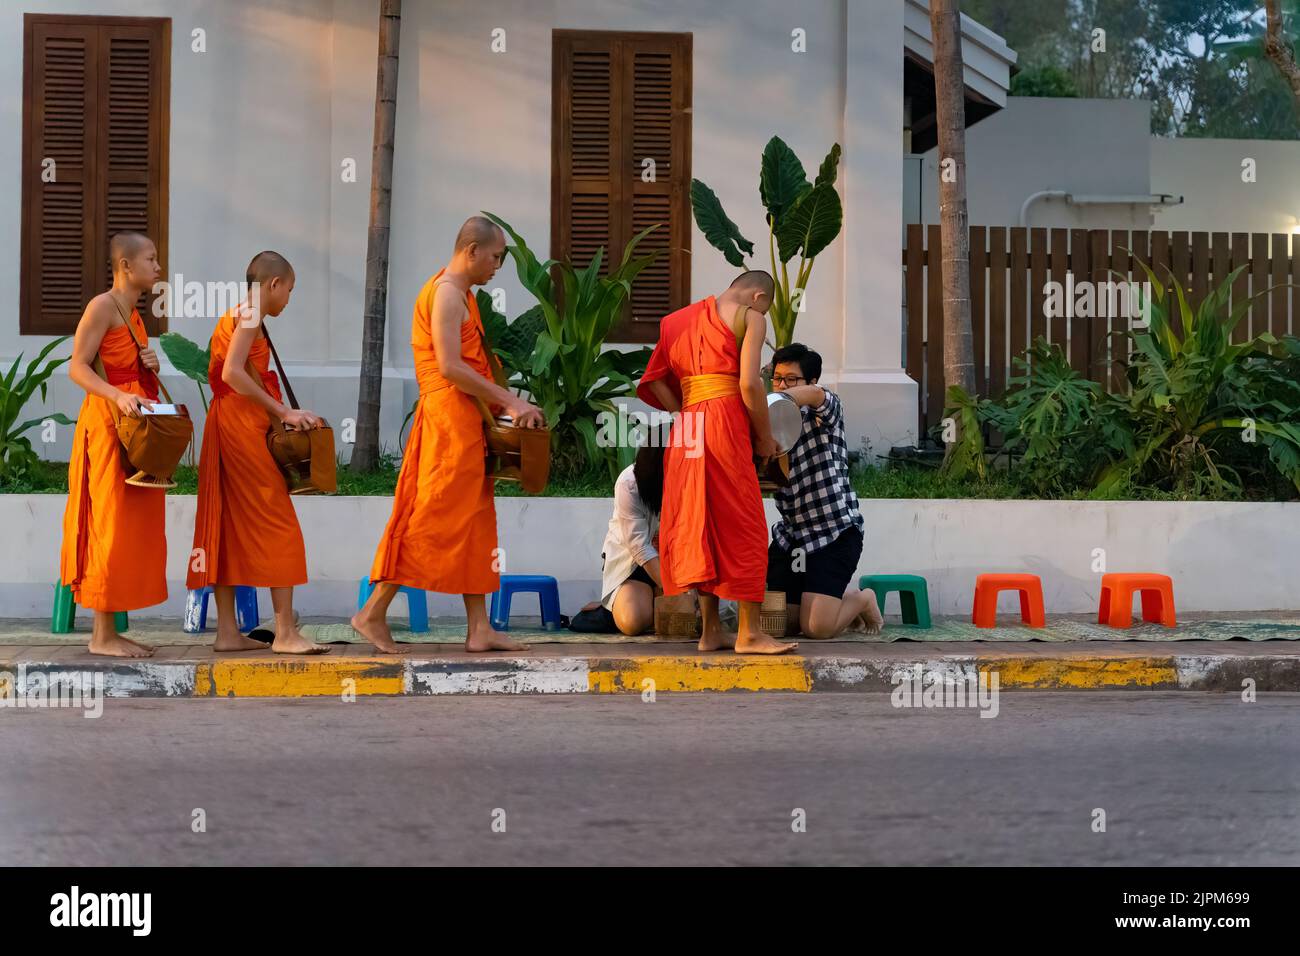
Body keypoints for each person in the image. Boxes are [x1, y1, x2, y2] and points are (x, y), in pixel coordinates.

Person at [352, 217, 545, 654]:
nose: (497, 266)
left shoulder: (462, 296)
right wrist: (513, 403)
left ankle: (479, 628)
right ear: (471, 250)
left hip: (467, 421)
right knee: (432, 518)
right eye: (496, 257)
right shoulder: (445, 294)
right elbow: (451, 367)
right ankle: (372, 612)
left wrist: (503, 405)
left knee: (475, 523)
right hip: (448, 423)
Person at [637, 272, 797, 654]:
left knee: (699, 521)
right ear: (759, 296)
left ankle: (710, 631)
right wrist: (763, 437)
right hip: (725, 423)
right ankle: (750, 633)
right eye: (764, 307)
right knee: (744, 523)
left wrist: (687, 409)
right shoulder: (750, 316)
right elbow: (749, 384)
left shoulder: (676, 321)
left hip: (688, 427)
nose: (761, 313)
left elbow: (653, 379)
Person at [187, 251, 328, 654]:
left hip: (227, 422)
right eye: (290, 290)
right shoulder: (249, 315)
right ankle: (284, 633)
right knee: (277, 520)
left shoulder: (241, 315)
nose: (289, 299)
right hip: (242, 428)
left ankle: (228, 632)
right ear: (273, 285)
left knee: (227, 524)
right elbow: (232, 371)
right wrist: (283, 410)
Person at [59, 232, 167, 658]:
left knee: (129, 525)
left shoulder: (135, 314)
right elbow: (77, 368)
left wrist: (149, 366)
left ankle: (114, 629)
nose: (158, 267)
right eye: (151, 259)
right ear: (125, 266)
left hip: (133, 426)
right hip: (106, 425)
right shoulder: (101, 306)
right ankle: (101, 636)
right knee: (107, 520)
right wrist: (118, 395)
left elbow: (130, 373)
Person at [766, 343, 883, 638]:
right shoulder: (767, 425)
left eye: (791, 379)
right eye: (777, 377)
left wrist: (776, 398)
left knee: (817, 628)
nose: (781, 384)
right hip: (791, 538)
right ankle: (828, 601)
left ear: (811, 380)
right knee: (780, 624)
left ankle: (861, 599)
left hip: (834, 533)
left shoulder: (823, 412)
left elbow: (818, 397)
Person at [599, 440, 668, 635]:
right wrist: (672, 590)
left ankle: (634, 602)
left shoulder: (693, 478)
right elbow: (640, 547)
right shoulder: (629, 483)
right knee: (632, 621)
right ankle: (613, 607)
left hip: (677, 562)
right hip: (634, 565)